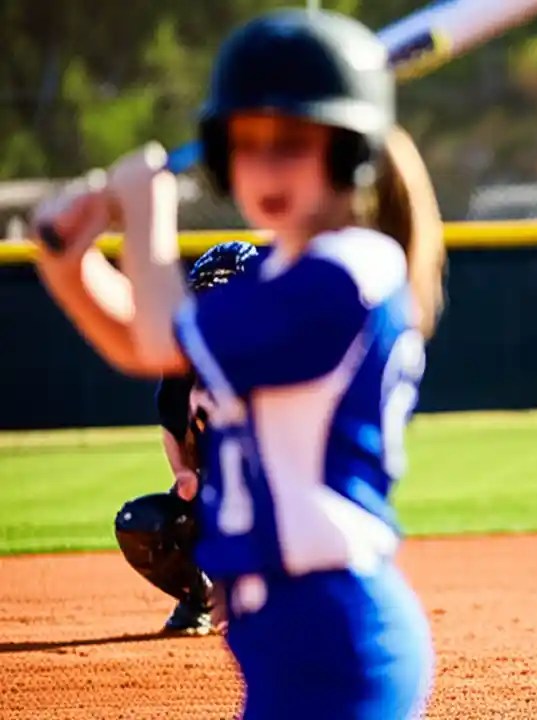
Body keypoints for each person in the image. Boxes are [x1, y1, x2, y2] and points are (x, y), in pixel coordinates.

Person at [30, 8, 447, 720]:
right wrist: (68, 262)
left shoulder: (347, 272)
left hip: (336, 640)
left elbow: (162, 337)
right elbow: (140, 341)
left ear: (350, 154)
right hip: (283, 638)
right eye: (248, 144)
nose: (266, 165)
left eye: (293, 143)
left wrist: (147, 212)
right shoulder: (282, 277)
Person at [113, 241, 262, 637]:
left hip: (280, 497)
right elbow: (172, 426)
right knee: (143, 523)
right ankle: (200, 596)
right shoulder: (187, 356)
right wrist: (183, 473)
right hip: (218, 490)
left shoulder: (279, 352)